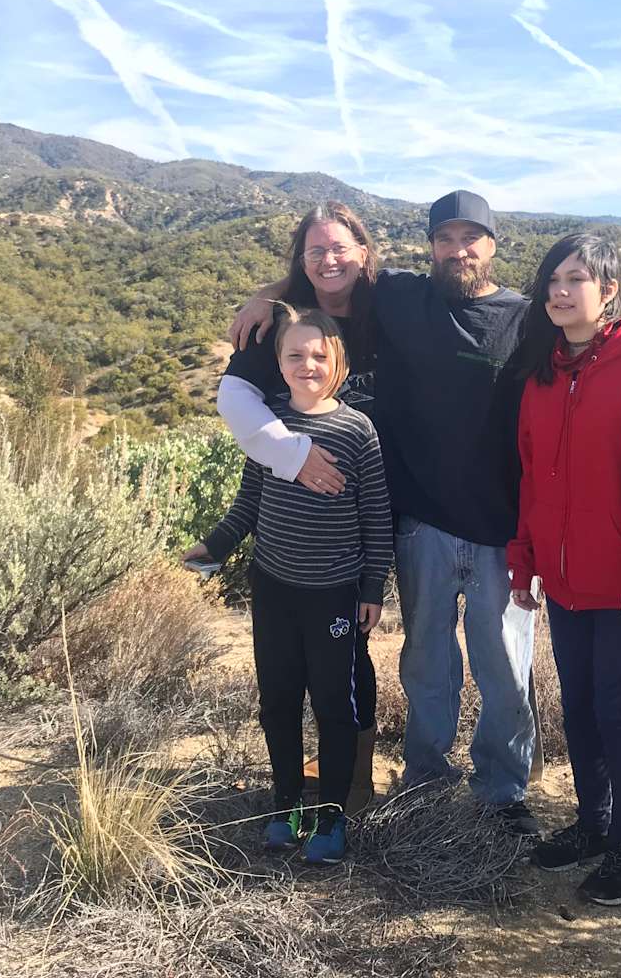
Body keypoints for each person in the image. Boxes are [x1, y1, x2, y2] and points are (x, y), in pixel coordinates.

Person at [228, 192, 621, 837]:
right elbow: (328, 271)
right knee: (427, 663)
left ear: (492, 246)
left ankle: (502, 790)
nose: (459, 250)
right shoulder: (400, 299)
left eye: (472, 238)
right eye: (445, 238)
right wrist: (267, 295)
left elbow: (598, 345)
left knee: (505, 668)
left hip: (504, 527)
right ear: (429, 247)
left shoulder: (526, 318)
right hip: (421, 519)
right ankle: (425, 780)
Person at [507, 233, 621, 906]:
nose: (560, 290)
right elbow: (531, 478)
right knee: (577, 708)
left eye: (575, 279)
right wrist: (523, 566)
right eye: (553, 279)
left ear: (608, 290)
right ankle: (593, 824)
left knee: (616, 710)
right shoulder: (544, 369)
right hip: (566, 577)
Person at [185, 307, 391, 864]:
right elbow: (249, 499)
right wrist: (217, 545)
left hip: (335, 593)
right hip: (273, 587)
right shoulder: (270, 426)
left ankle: (330, 815)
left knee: (333, 705)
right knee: (277, 701)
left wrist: (373, 586)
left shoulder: (356, 430)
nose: (308, 364)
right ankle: (285, 806)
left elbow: (376, 515)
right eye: (295, 355)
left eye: (320, 355)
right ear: (278, 363)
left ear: (338, 363)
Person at [215, 202, 381, 812]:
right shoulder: (279, 328)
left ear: (365, 252)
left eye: (341, 248)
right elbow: (232, 395)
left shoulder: (390, 304)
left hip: (388, 506)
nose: (330, 260)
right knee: (301, 676)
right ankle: (319, 790)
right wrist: (290, 454)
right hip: (303, 540)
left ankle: (352, 782)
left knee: (355, 667)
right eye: (315, 252)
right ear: (299, 262)